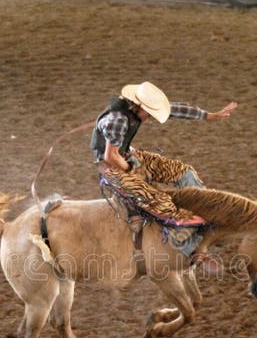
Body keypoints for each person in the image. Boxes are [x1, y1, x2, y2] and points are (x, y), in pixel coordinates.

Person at [91, 81, 237, 255]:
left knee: (184, 172)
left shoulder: (132, 112)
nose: (152, 117)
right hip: (111, 166)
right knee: (160, 201)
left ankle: (208, 213)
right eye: (150, 113)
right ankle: (191, 248)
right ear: (139, 106)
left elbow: (174, 109)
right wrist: (132, 171)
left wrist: (209, 116)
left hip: (127, 155)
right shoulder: (118, 121)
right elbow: (110, 156)